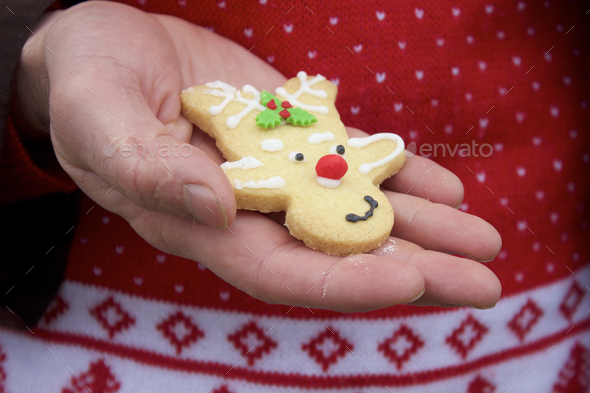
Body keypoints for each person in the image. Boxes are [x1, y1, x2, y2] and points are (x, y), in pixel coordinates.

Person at [0, 1, 587, 392]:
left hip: (529, 330)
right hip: (100, 340)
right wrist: (30, 53)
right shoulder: (263, 170)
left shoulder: (343, 157)